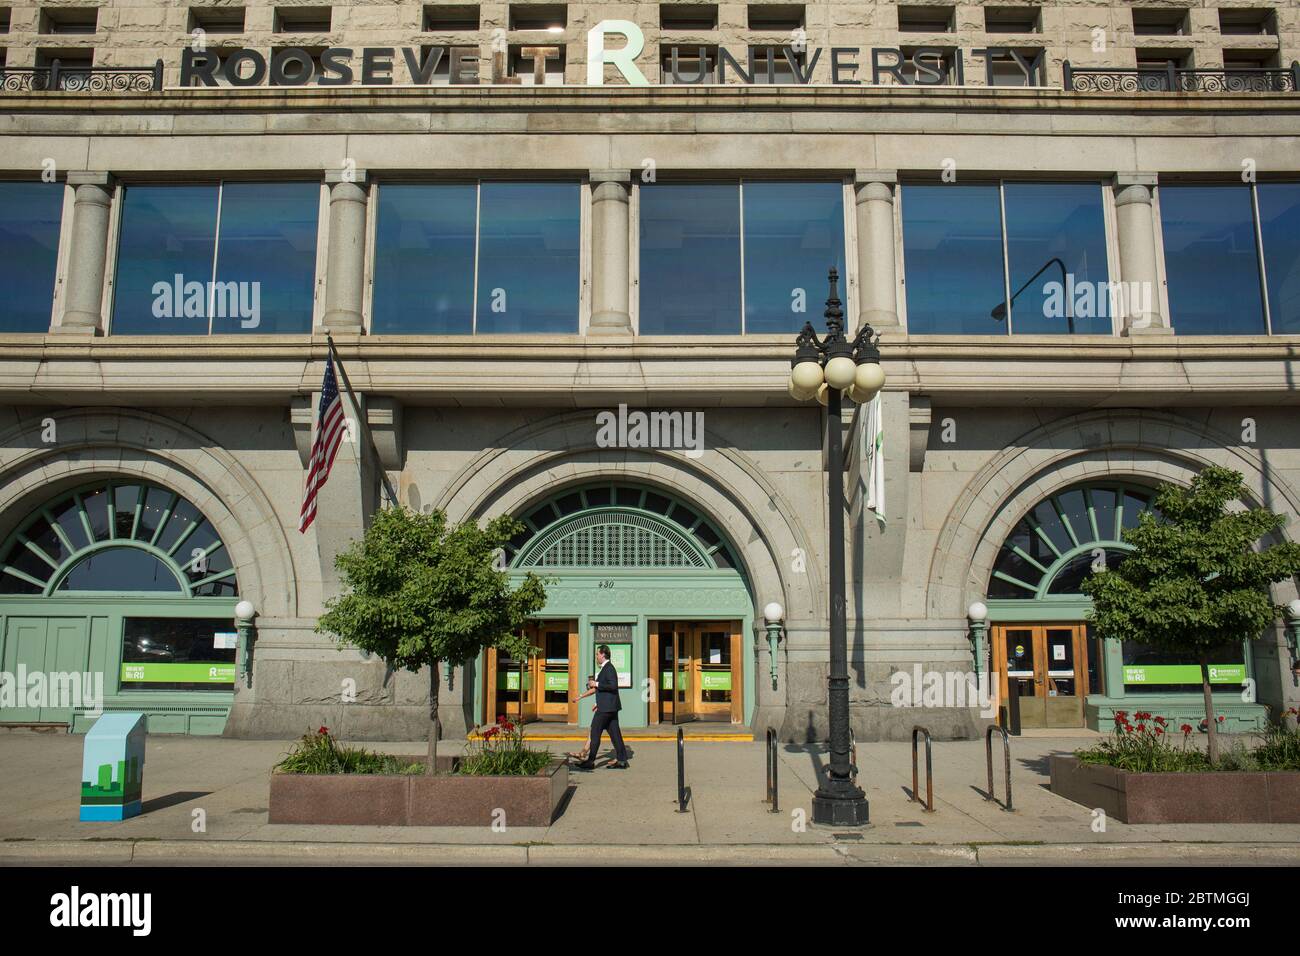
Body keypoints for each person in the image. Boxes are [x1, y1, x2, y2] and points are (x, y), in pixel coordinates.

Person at [572, 644, 629, 769]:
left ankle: (590, 761)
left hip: (606, 709)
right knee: (615, 734)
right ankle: (622, 760)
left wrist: (596, 683)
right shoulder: (606, 668)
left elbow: (613, 686)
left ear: (603, 654)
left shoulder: (609, 668)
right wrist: (597, 701)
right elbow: (604, 690)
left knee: (595, 733)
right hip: (609, 707)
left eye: (597, 654)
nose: (596, 656)